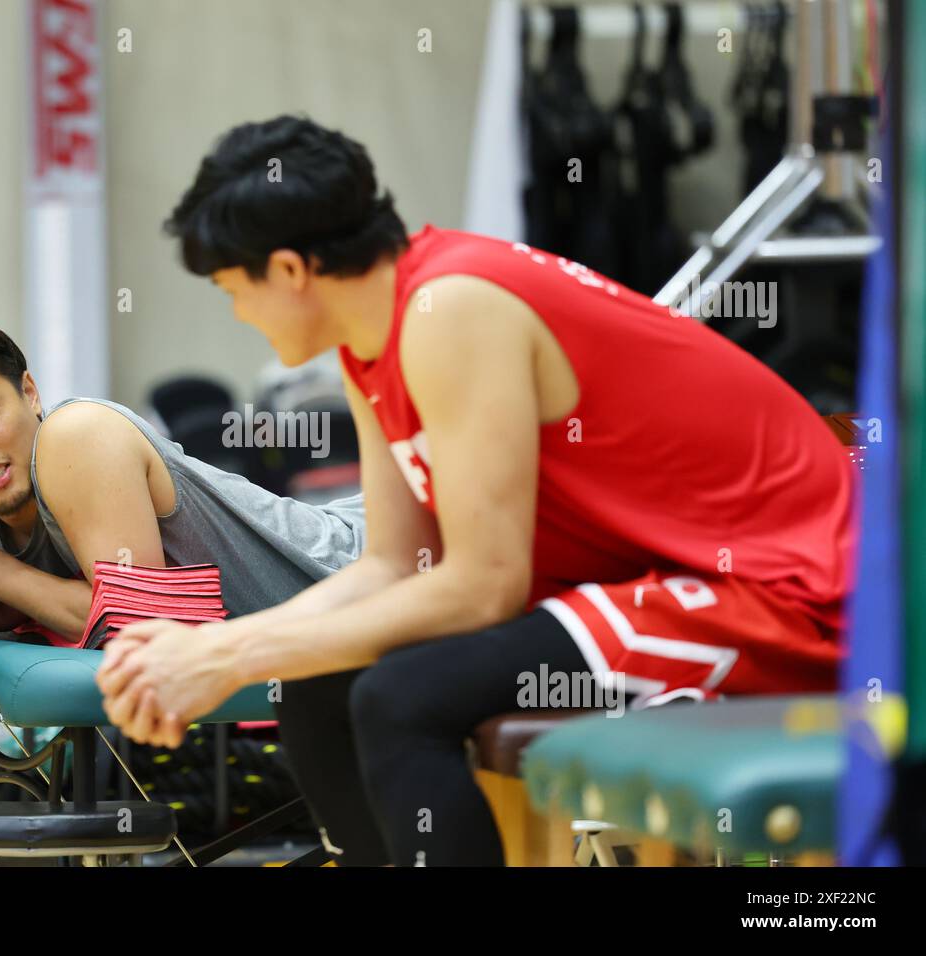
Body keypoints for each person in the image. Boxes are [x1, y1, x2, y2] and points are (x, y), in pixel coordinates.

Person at [94, 115, 853, 866]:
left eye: (233, 289)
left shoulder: (450, 307)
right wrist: (218, 648)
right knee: (319, 684)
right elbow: (392, 568)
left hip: (789, 593)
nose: (238, 314)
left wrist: (229, 654)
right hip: (671, 577)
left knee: (404, 697)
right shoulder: (376, 339)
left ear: (290, 271)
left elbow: (484, 587)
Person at [0, 315, 365, 642]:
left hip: (368, 569)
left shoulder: (77, 434)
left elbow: (145, 625)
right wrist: (18, 610)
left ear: (30, 392)